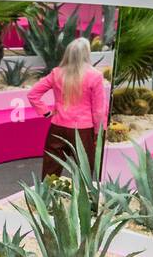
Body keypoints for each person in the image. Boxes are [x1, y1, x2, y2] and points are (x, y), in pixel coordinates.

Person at [27, 36, 109, 178]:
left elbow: (32, 94)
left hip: (57, 127)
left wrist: (46, 112)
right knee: (84, 172)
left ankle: (47, 197)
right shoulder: (95, 76)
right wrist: (99, 132)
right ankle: (81, 198)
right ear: (87, 54)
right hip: (84, 130)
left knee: (50, 169)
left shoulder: (56, 73)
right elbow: (99, 110)